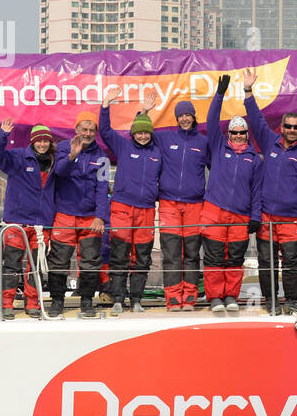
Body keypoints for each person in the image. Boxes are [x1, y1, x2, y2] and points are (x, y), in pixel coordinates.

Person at [241, 66, 297, 314]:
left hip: (292, 221)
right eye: (288, 126)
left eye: (296, 127)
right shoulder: (269, 141)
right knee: (267, 263)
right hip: (267, 217)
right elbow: (255, 119)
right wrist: (247, 90)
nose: (291, 130)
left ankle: (292, 301)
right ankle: (271, 301)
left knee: (293, 263)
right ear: (282, 127)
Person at [137, 95, 210, 311]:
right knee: (171, 254)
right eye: (181, 115)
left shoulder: (203, 141)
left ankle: (189, 297)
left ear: (194, 117)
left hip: (195, 205)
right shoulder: (165, 138)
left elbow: (217, 168)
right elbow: (140, 133)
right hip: (169, 204)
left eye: (188, 115)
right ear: (177, 118)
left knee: (191, 254)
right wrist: (144, 112)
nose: (185, 119)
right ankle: (173, 298)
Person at [200, 75, 263, 312]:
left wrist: (255, 216)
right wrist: (219, 94)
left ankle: (231, 296)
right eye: (234, 133)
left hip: (240, 215)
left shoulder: (254, 159)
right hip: (214, 211)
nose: (237, 136)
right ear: (228, 134)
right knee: (215, 258)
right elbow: (211, 120)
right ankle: (215, 296)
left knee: (235, 259)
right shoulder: (218, 146)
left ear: (247, 135)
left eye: (241, 133)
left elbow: (257, 190)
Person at [0, 120, 62, 319]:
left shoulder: (54, 162)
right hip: (17, 222)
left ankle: (33, 303)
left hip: (41, 225)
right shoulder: (19, 157)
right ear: (33, 142)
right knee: (12, 264)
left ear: (50, 142)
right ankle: (6, 304)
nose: (42, 144)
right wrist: (2, 135)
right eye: (38, 141)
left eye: (45, 141)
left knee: (37, 267)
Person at [99, 93, 163, 315]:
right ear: (133, 134)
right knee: (120, 254)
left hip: (146, 210)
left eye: (146, 132)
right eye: (139, 132)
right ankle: (118, 298)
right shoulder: (124, 147)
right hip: (123, 208)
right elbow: (105, 131)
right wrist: (105, 106)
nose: (143, 136)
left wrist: (144, 114)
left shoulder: (157, 151)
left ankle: (136, 299)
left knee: (142, 257)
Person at [47, 109, 111, 319]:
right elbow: (59, 172)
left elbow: (103, 188)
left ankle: (86, 301)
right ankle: (57, 301)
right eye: (84, 129)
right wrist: (73, 156)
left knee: (91, 262)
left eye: (92, 130)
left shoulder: (101, 155)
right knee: (58, 260)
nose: (88, 133)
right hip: (64, 214)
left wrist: (100, 216)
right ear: (76, 129)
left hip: (90, 217)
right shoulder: (64, 147)